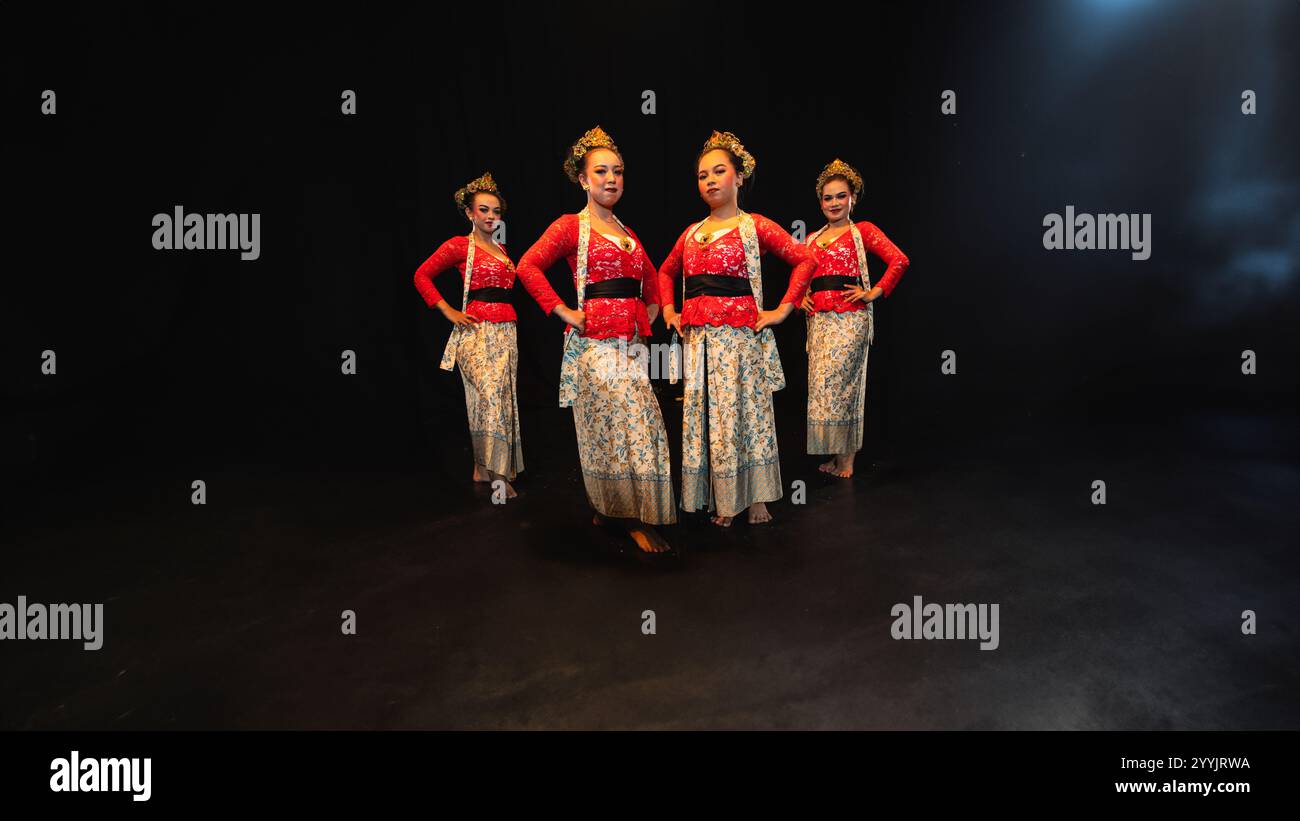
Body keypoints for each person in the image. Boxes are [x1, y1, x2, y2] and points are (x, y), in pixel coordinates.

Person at [516, 126, 676, 553]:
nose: (611, 179)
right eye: (601, 171)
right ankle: (626, 518)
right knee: (610, 432)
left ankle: (614, 510)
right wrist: (566, 311)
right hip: (596, 348)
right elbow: (528, 267)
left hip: (630, 347)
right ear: (583, 179)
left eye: (618, 172)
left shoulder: (627, 233)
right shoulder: (572, 226)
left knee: (637, 428)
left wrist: (647, 322)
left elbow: (652, 282)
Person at [658, 131, 817, 526]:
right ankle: (722, 497)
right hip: (700, 341)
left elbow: (805, 260)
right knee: (708, 418)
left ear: (739, 177)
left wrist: (783, 309)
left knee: (746, 416)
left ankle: (757, 495)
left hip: (740, 339)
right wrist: (667, 309)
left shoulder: (755, 225)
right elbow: (665, 270)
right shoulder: (691, 233)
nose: (710, 180)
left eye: (718, 171)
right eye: (701, 175)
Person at [413, 172, 523, 497]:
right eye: (484, 210)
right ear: (470, 213)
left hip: (506, 333)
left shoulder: (502, 250)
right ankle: (498, 476)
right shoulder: (460, 246)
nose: (491, 216)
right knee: (488, 398)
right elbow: (422, 275)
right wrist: (447, 310)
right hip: (475, 333)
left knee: (501, 400)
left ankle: (480, 468)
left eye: (496, 211)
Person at [800, 159, 910, 478]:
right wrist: (800, 297)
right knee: (823, 389)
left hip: (850, 321)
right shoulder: (811, 238)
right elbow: (802, 276)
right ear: (820, 201)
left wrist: (874, 291)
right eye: (828, 197)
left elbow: (898, 260)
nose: (834, 203)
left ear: (853, 198)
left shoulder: (862, 231)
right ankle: (836, 456)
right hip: (819, 322)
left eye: (840, 196)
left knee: (844, 387)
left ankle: (847, 460)